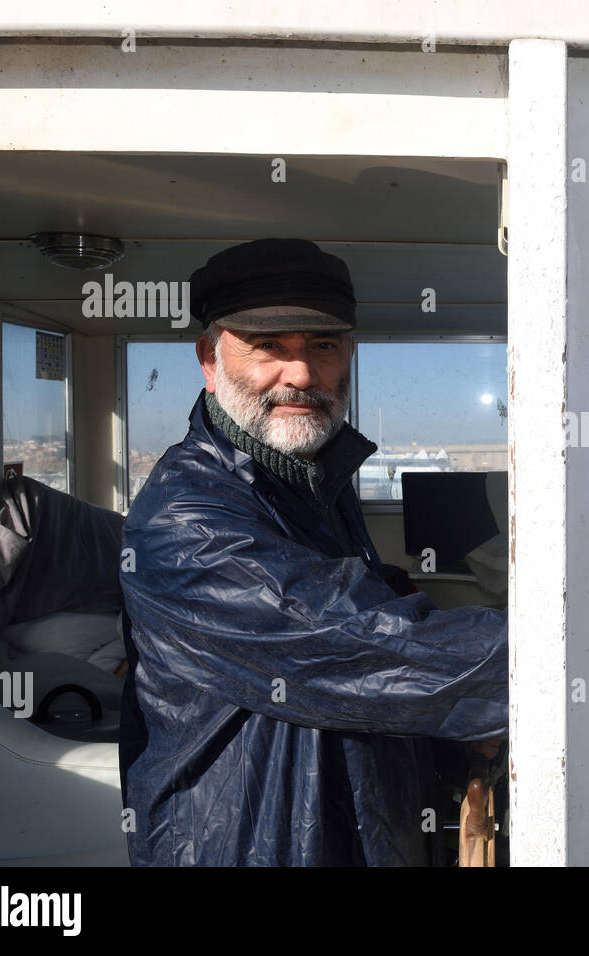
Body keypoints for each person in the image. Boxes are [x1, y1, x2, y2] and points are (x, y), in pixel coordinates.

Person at [118, 238, 507, 866]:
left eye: (322, 346)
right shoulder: (185, 521)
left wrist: (457, 738)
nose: (300, 374)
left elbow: (359, 657)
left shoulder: (309, 476)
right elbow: (362, 647)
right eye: (269, 347)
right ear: (209, 361)